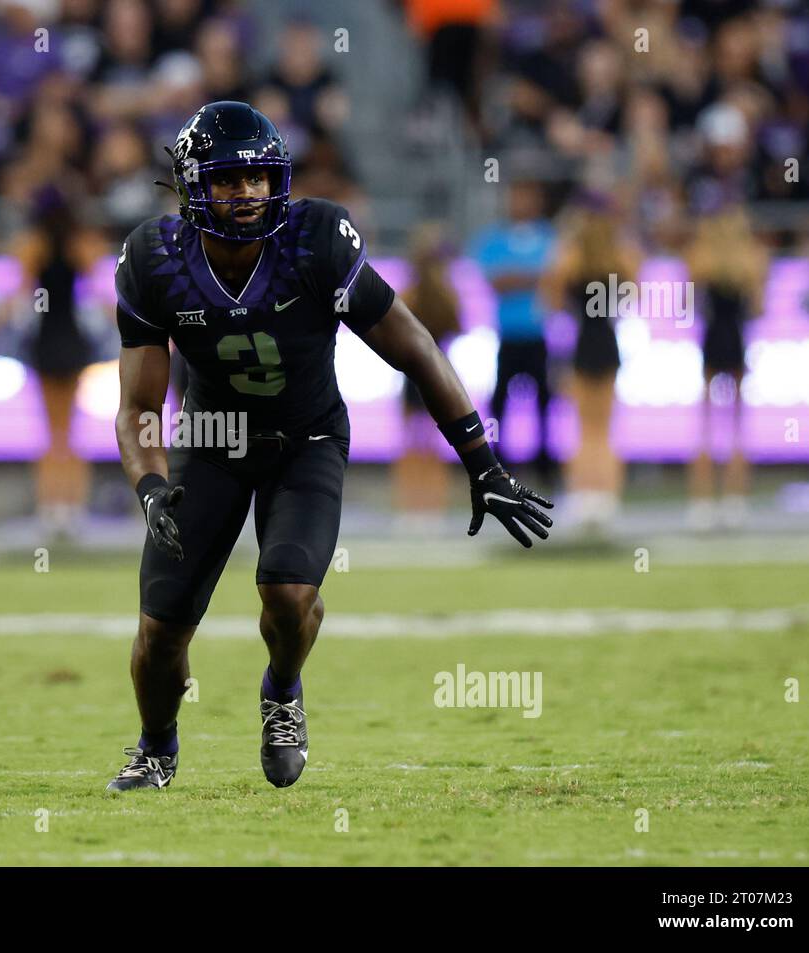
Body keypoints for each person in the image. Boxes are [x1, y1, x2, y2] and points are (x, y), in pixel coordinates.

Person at [107, 101, 553, 792]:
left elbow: (415, 347)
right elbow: (138, 404)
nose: (250, 194)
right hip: (209, 442)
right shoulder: (154, 259)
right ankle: (155, 746)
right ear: (195, 185)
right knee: (160, 634)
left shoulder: (314, 238)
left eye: (259, 178)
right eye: (230, 180)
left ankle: (282, 691)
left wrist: (483, 463)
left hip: (305, 437)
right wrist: (150, 486)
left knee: (288, 592)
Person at [541, 191, 639, 531]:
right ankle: (607, 498)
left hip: (583, 341)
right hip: (606, 339)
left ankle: (583, 498)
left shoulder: (571, 257)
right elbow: (632, 295)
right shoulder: (619, 256)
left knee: (584, 429)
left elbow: (550, 300)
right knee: (604, 428)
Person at [12, 189, 106, 537]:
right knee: (69, 430)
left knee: (53, 431)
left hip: (49, 338)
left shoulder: (33, 245)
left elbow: (21, 294)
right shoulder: (78, 244)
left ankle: (53, 506)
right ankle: (69, 506)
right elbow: (97, 285)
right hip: (69, 337)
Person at [684, 197, 766, 530]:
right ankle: (735, 501)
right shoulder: (750, 258)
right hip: (735, 337)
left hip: (713, 337)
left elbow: (687, 300)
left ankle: (702, 503)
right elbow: (758, 307)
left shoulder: (700, 257)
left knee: (704, 426)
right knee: (736, 425)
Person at [469, 178, 557, 479]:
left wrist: (517, 278)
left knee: (544, 400)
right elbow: (496, 282)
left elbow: (553, 278)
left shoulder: (549, 236)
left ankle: (545, 464)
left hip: (537, 334)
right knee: (500, 402)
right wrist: (531, 278)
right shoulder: (494, 238)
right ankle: (500, 463)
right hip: (508, 334)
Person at [394, 223, 461, 529]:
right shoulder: (447, 295)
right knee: (435, 442)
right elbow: (458, 326)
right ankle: (432, 509)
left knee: (412, 442)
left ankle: (412, 508)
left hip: (413, 374)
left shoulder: (410, 294)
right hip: (439, 373)